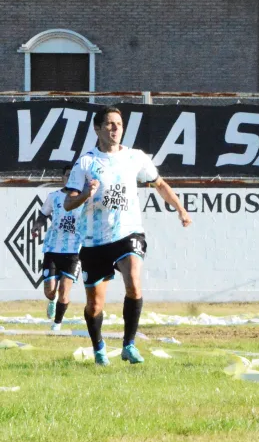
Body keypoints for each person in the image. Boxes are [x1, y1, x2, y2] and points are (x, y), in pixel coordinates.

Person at [64, 106, 192, 366]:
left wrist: (180, 209)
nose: (115, 129)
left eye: (119, 124)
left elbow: (160, 184)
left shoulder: (136, 157)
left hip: (128, 232)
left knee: (133, 279)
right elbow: (69, 203)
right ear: (97, 129)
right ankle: (99, 348)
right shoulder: (86, 162)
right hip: (94, 240)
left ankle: (129, 345)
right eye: (110, 124)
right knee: (95, 306)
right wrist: (87, 194)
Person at [31, 166, 83, 332]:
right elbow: (43, 215)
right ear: (62, 177)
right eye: (68, 175)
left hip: (74, 251)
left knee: (64, 290)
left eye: (73, 175)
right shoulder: (54, 197)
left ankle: (57, 323)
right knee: (50, 292)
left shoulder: (84, 197)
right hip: (53, 248)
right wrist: (37, 226)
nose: (70, 178)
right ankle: (51, 300)